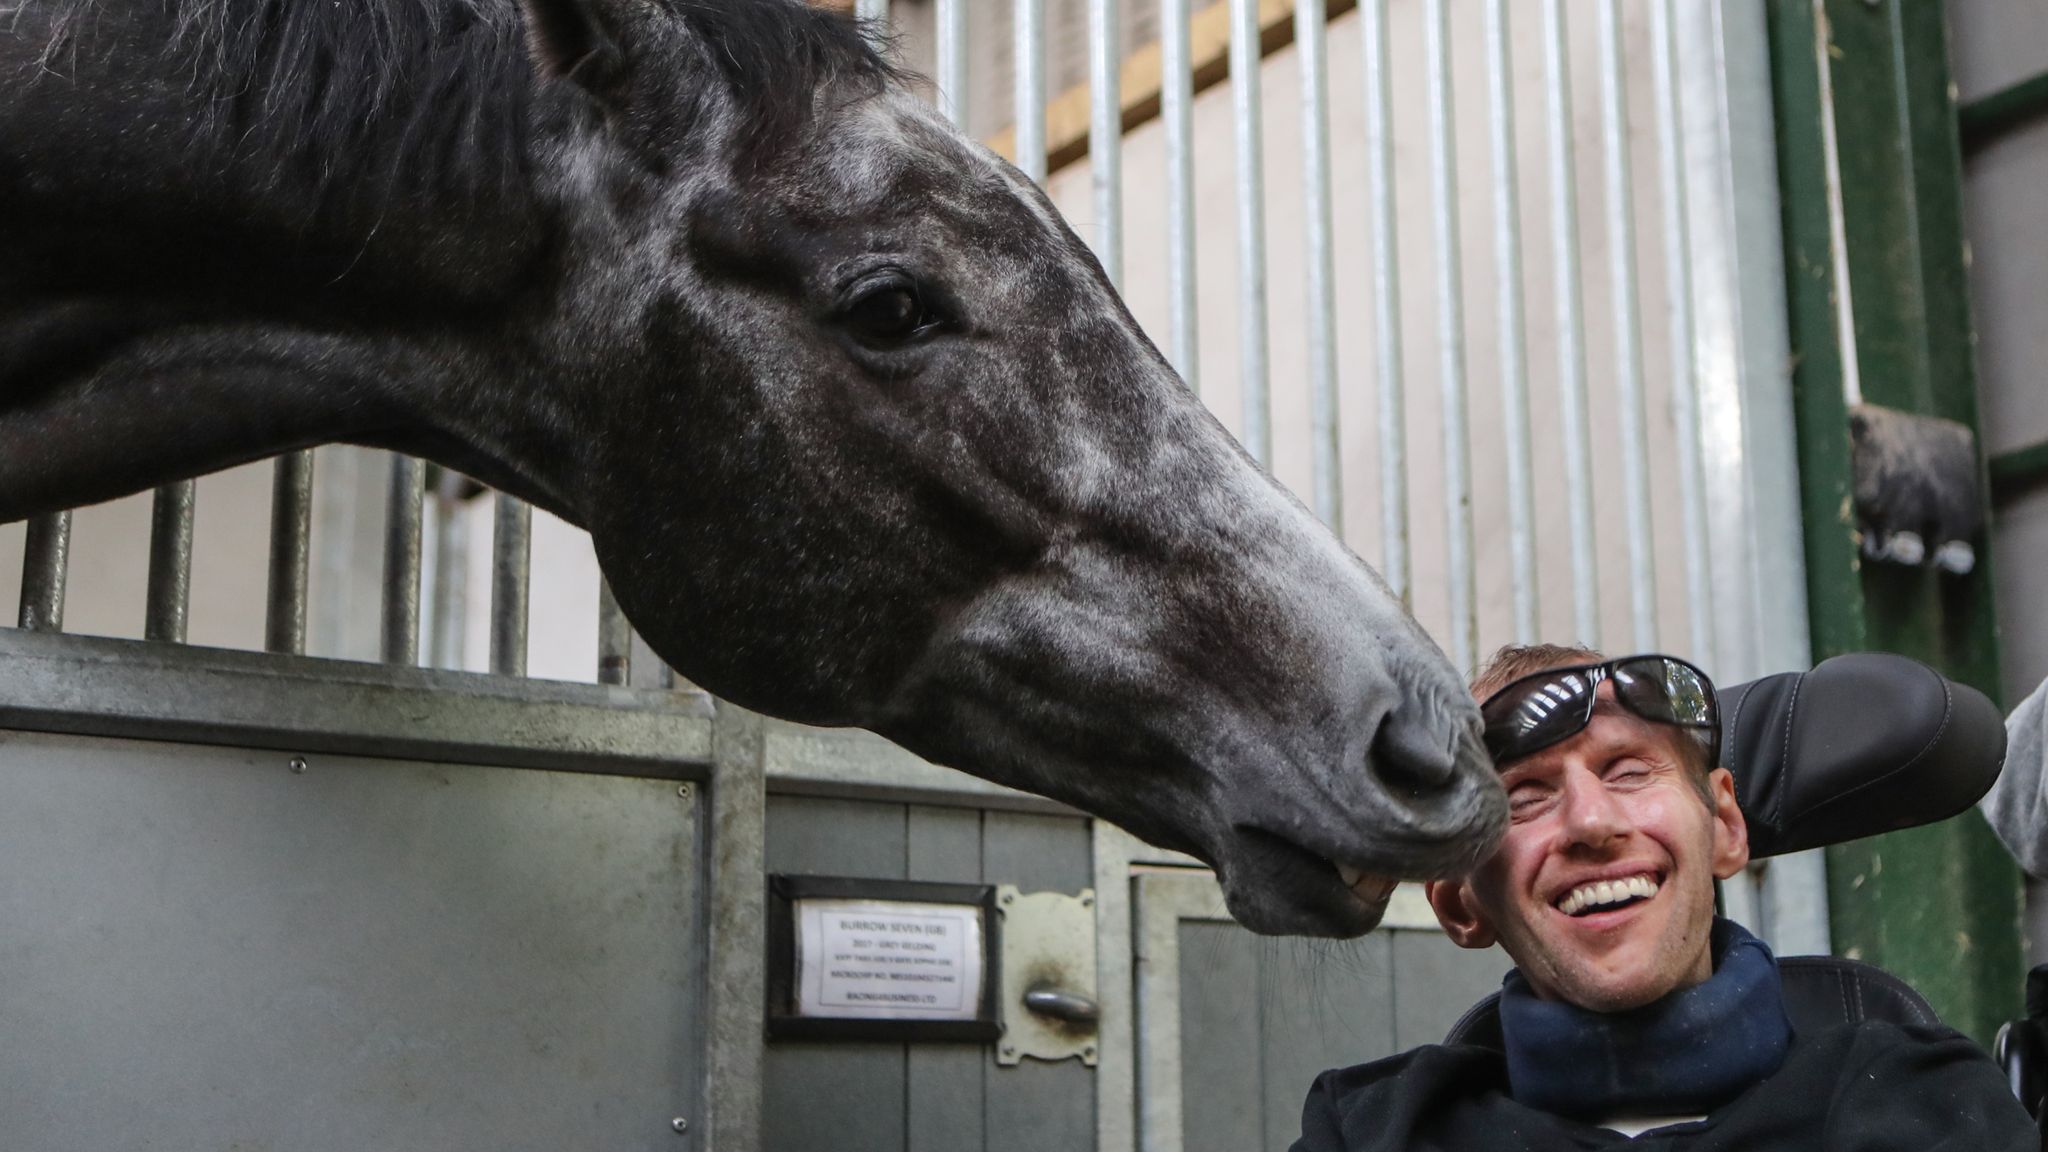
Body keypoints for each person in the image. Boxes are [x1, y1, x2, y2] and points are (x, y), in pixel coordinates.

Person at [1290, 644, 2036, 1150]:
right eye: (1524, 797)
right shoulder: (1371, 1133)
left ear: (1725, 828)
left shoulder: (1930, 1108)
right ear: (1459, 904)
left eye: (1627, 773)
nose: (1592, 822)